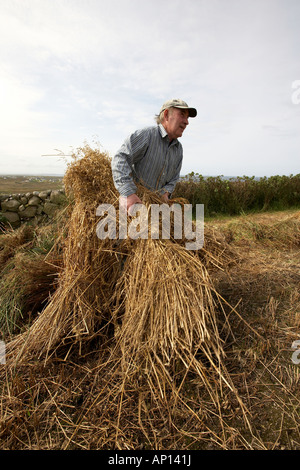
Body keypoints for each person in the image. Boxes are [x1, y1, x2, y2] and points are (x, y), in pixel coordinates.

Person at [111, 99, 197, 214]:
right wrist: (128, 193)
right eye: (182, 115)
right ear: (166, 115)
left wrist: (166, 193)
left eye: (187, 118)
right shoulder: (147, 135)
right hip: (134, 207)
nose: (187, 122)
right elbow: (120, 158)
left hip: (155, 211)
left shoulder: (178, 149)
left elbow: (174, 178)